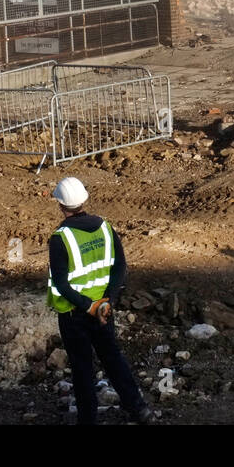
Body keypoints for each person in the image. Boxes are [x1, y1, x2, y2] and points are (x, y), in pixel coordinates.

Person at [46, 176, 153, 424]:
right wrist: (107, 300)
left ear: (60, 205)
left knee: (83, 370)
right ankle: (139, 410)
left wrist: (89, 306)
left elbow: (61, 284)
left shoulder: (61, 238)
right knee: (113, 359)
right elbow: (120, 267)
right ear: (85, 199)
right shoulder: (106, 227)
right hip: (104, 310)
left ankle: (88, 420)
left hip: (75, 314)